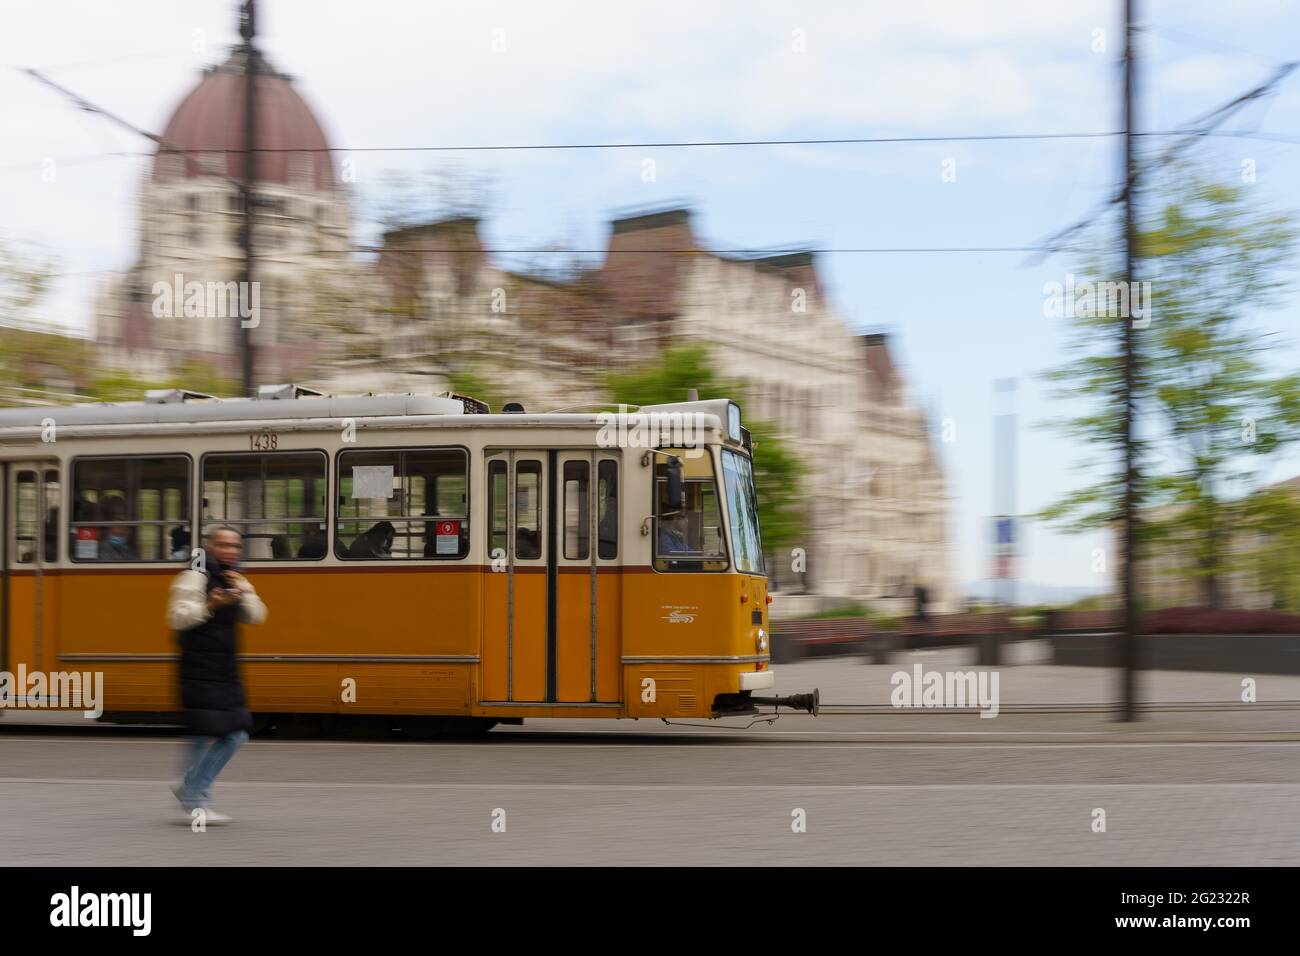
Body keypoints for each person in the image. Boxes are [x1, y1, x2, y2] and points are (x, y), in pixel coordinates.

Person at [167, 525, 267, 824]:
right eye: (223, 545)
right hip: (199, 668)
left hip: (223, 669)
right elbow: (176, 617)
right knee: (232, 734)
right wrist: (210, 604)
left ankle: (190, 785)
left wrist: (244, 592)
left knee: (205, 735)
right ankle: (196, 795)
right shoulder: (195, 575)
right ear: (209, 546)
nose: (230, 551)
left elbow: (258, 616)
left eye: (235, 546)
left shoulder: (234, 576)